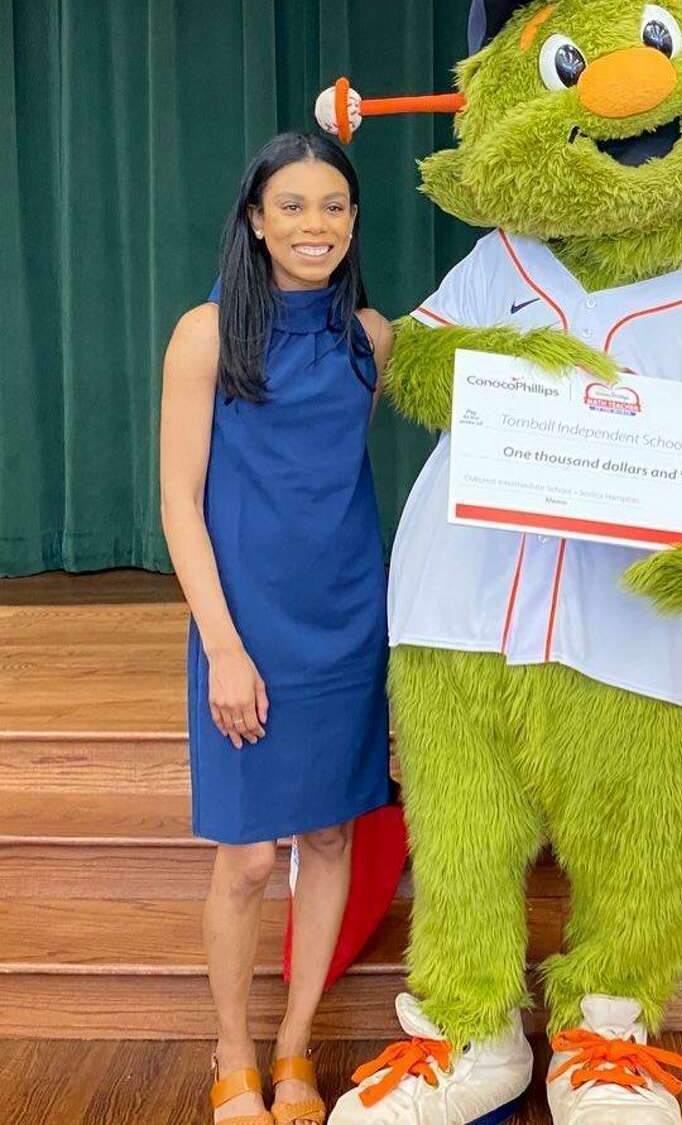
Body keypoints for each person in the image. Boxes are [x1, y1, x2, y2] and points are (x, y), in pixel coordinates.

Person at [160, 132, 394, 1125]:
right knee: (250, 857)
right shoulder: (205, 335)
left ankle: (294, 1052)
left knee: (331, 836)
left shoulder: (370, 338)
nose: (315, 224)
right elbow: (178, 500)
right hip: (246, 626)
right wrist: (221, 644)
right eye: (292, 205)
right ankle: (231, 1053)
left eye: (334, 206)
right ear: (255, 220)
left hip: (348, 617)